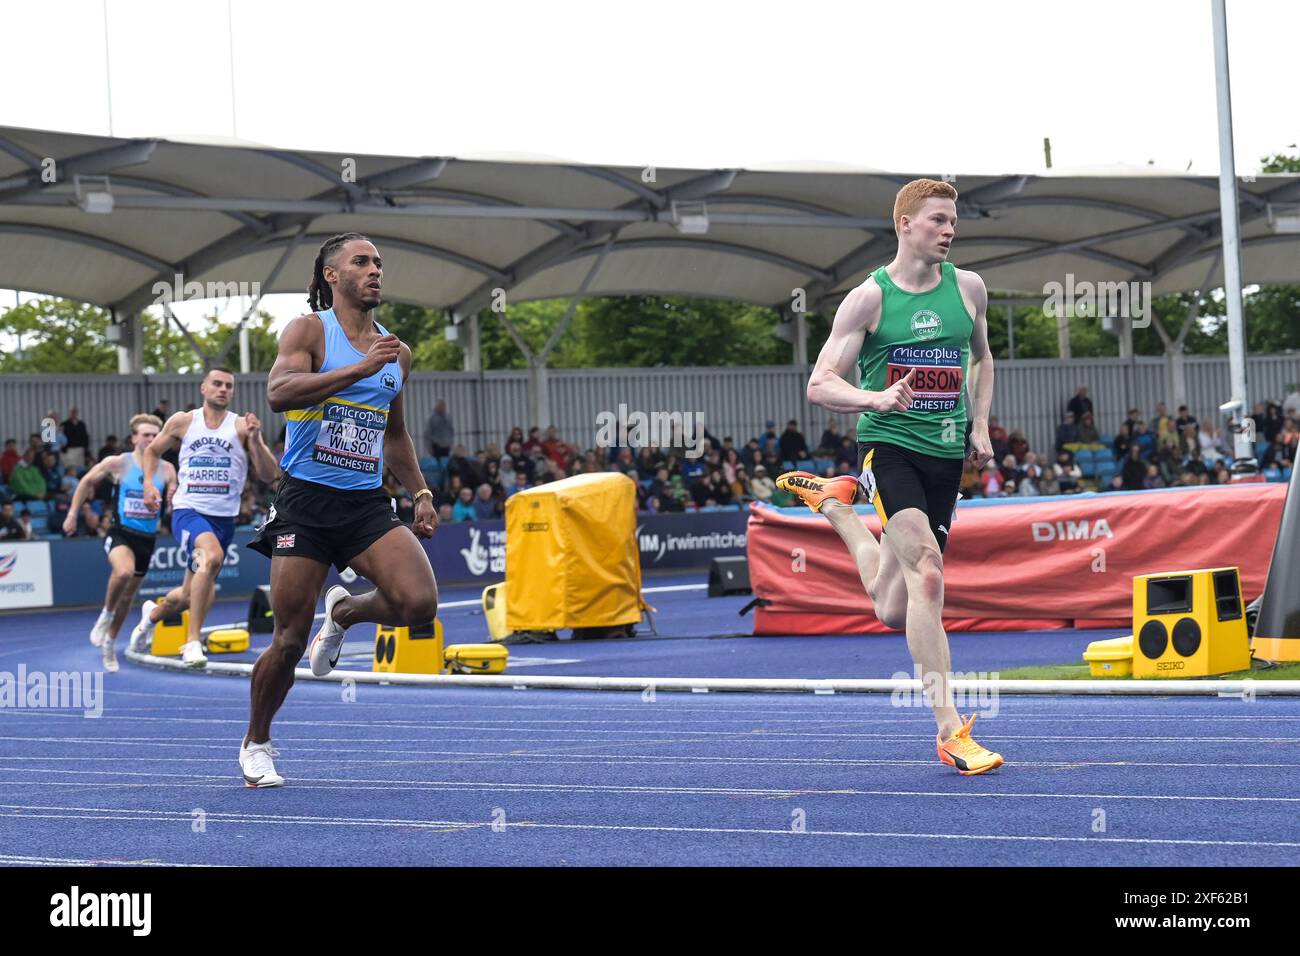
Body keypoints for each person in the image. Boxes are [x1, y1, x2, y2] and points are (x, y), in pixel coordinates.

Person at [775, 178, 1003, 775]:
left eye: (953, 220)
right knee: (928, 572)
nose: (949, 229)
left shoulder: (970, 289)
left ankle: (838, 511)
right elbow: (820, 383)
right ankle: (951, 729)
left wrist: (980, 424)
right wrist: (876, 400)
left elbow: (982, 359)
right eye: (936, 220)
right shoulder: (868, 300)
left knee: (892, 608)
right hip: (889, 448)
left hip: (947, 456)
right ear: (904, 224)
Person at [244, 233, 438, 787]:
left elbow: (394, 432)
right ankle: (257, 741)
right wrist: (355, 369)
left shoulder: (396, 351)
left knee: (419, 603)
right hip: (304, 503)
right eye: (361, 261)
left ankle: (346, 612)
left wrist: (419, 492)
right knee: (287, 641)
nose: (375, 269)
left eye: (378, 261)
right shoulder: (308, 330)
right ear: (332, 275)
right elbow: (280, 394)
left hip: (364, 504)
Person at [129, 367, 279, 667]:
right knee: (210, 558)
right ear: (203, 388)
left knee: (190, 595)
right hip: (188, 511)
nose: (223, 389)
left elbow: (269, 475)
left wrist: (257, 438)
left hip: (223, 519)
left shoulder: (240, 426)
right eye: (217, 384)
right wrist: (148, 483)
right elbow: (152, 451)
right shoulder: (184, 422)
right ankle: (192, 642)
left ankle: (152, 614)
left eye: (228, 386)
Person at [64, 415, 177, 672]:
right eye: (145, 435)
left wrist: (172, 497)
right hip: (120, 532)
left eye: (154, 435)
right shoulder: (119, 463)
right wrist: (72, 513)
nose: (150, 439)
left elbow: (173, 498)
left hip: (147, 539)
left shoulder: (167, 469)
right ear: (134, 438)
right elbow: (85, 482)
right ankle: (105, 615)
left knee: (128, 596)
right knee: (123, 572)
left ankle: (110, 644)